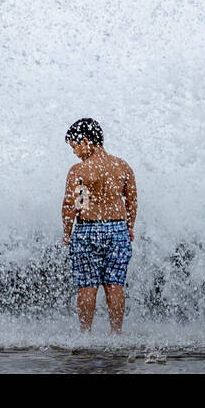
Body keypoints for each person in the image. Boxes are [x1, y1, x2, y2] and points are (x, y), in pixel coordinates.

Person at [60, 118, 137, 333]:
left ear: (86, 141)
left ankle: (85, 335)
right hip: (118, 230)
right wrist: (129, 227)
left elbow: (71, 204)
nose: (75, 152)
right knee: (115, 285)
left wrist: (67, 232)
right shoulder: (122, 166)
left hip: (87, 230)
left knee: (87, 285)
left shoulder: (80, 171)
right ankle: (116, 334)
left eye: (75, 146)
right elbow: (131, 201)